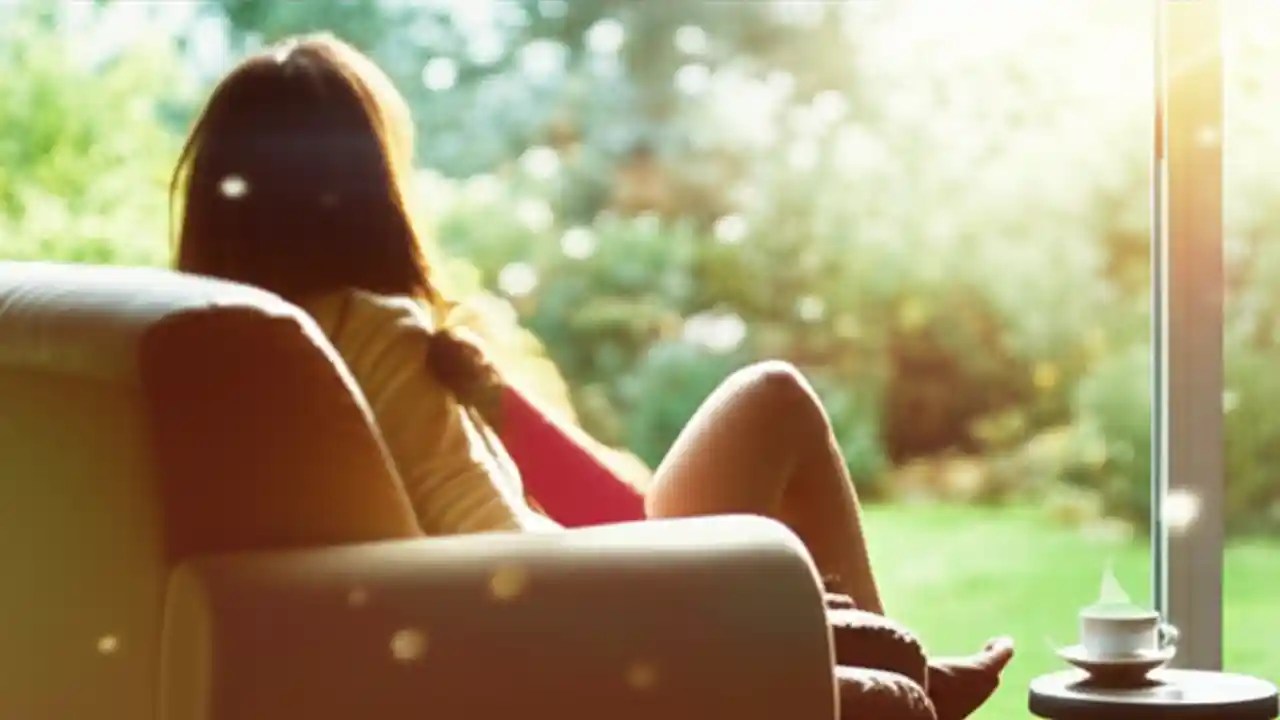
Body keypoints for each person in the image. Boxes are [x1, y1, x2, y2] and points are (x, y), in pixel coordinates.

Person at [170, 33, 1012, 718]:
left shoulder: (211, 356)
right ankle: (888, 659)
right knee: (776, 404)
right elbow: (504, 562)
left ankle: (878, 653)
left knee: (865, 642)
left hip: (485, 622)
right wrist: (707, 593)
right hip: (569, 630)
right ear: (366, 192)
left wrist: (498, 409)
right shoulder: (373, 330)